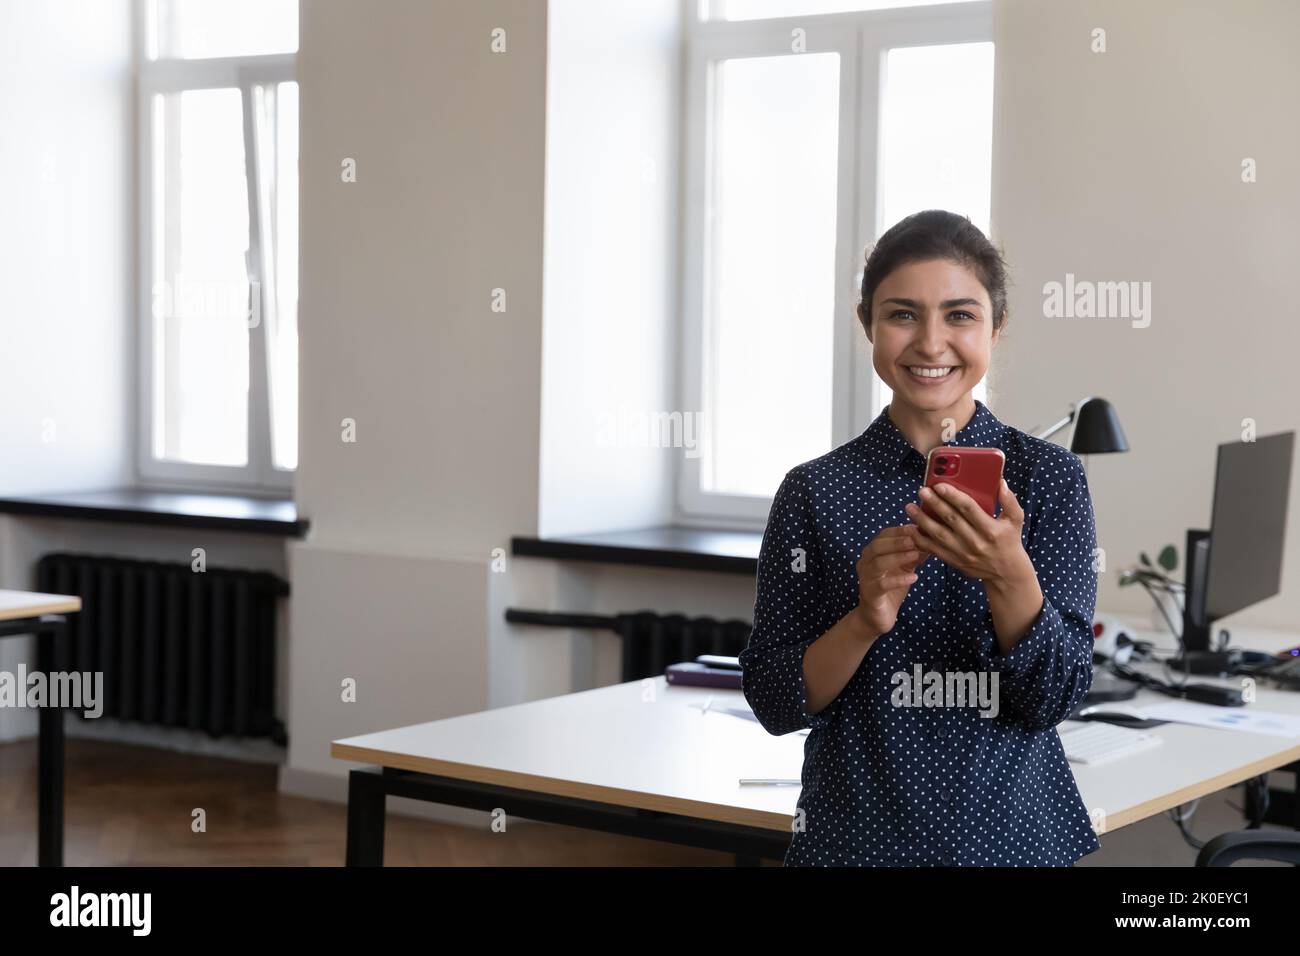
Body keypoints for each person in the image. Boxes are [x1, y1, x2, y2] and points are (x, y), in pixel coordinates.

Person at [738, 209, 1101, 866]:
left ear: (997, 327)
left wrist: (1008, 573)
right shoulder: (816, 489)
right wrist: (864, 619)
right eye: (903, 314)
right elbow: (773, 698)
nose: (931, 344)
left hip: (1012, 843)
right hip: (855, 844)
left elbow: (1057, 695)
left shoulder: (1050, 480)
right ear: (867, 324)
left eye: (960, 315)